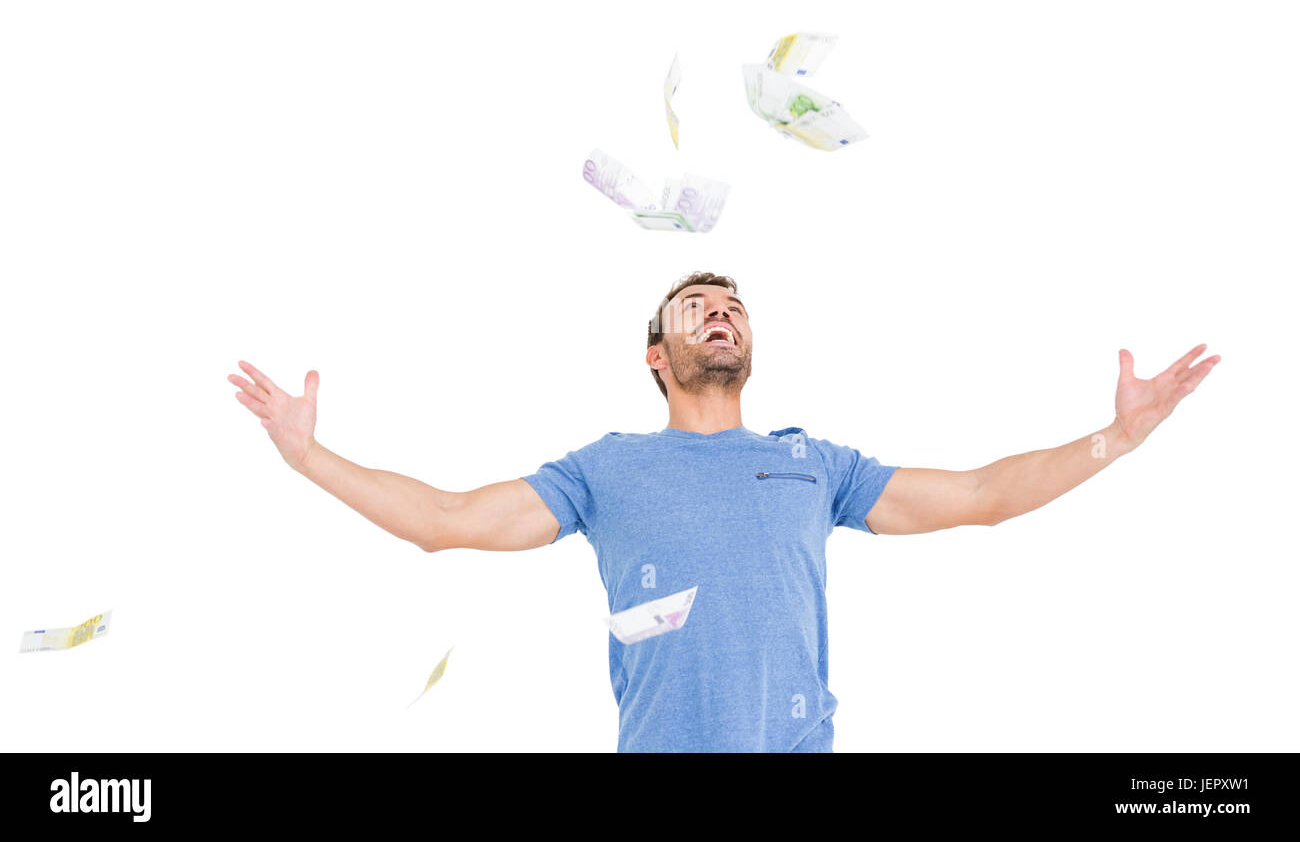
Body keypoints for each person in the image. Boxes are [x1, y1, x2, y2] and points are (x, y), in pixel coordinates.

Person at [228, 271, 1219, 752]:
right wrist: (307, 454)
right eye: (696, 304)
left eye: (733, 303)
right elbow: (446, 517)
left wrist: (1117, 437)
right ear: (656, 355)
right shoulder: (603, 469)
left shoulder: (811, 462)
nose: (720, 309)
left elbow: (977, 496)